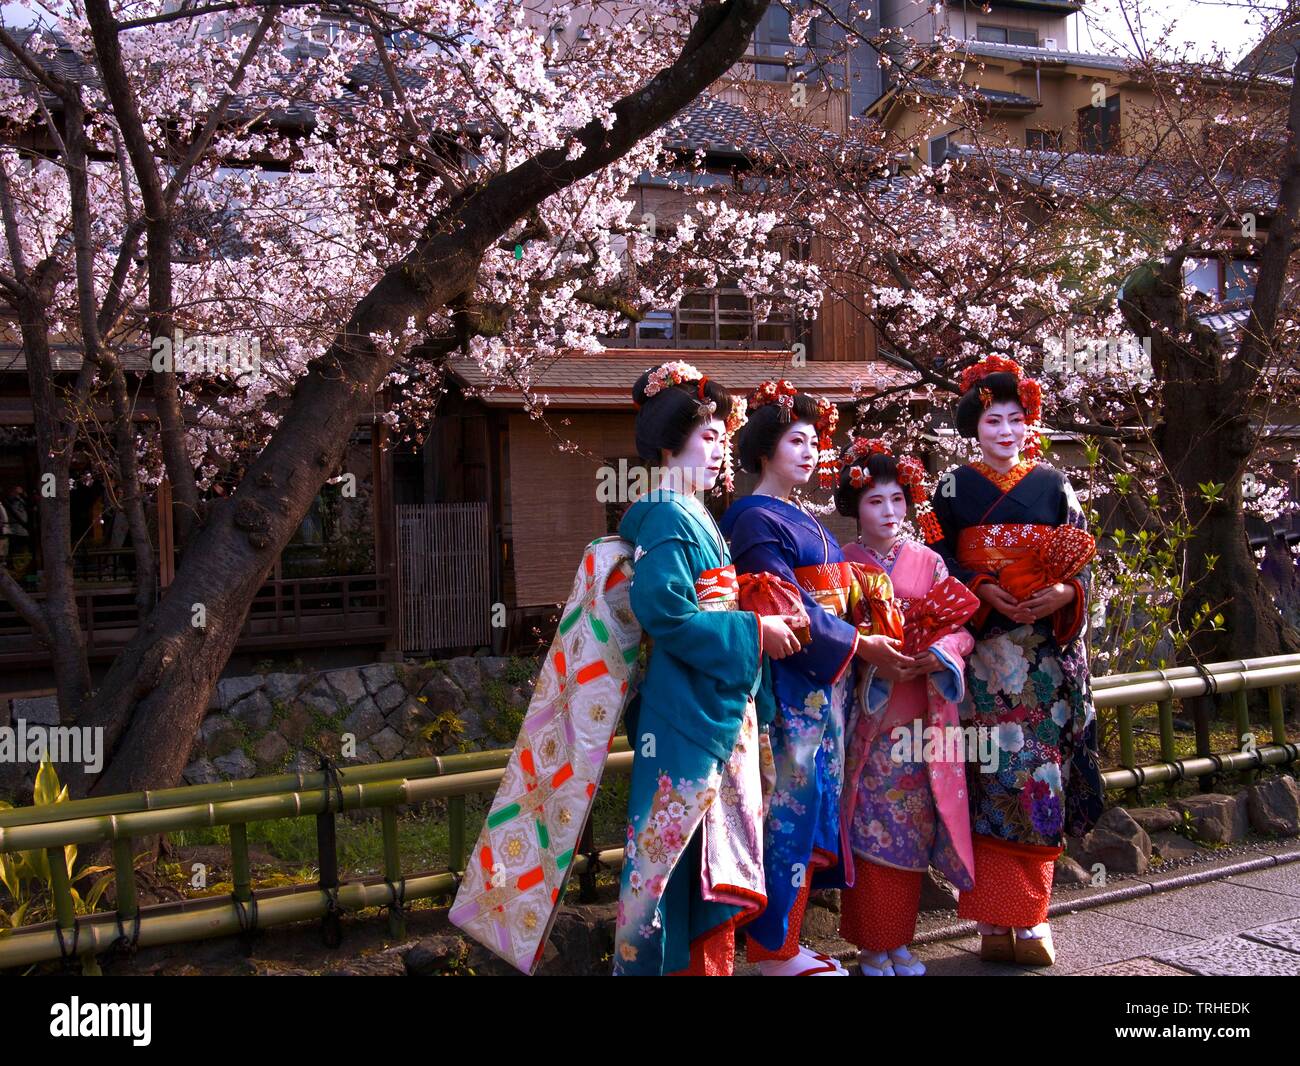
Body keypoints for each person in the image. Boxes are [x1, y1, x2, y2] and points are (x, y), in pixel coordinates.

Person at [613, 361, 802, 976]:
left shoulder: (693, 512)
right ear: (670, 445)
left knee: (710, 855)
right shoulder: (668, 514)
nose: (721, 451)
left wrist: (754, 610)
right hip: (687, 706)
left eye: (724, 438)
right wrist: (753, 628)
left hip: (717, 695)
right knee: (683, 856)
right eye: (709, 438)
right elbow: (664, 613)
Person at [721, 381, 912, 976]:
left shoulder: (803, 517)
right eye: (795, 441)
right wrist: (859, 640)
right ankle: (771, 949)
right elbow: (783, 604)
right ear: (762, 453)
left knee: (810, 804)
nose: (809, 452)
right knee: (789, 805)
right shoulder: (752, 519)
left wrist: (870, 607)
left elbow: (830, 592)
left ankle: (787, 940)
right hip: (792, 682)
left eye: (813, 442)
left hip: (823, 686)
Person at [930, 355, 1103, 966]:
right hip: (981, 657)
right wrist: (976, 586)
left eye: (1014, 419)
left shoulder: (1056, 485)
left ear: (1029, 422)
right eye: (992, 421)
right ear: (973, 429)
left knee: (1037, 776)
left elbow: (1085, 559)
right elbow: (933, 562)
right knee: (985, 781)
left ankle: (1030, 920)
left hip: (1042, 663)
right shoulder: (951, 488)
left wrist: (1065, 593)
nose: (1005, 431)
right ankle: (991, 924)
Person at [835, 438, 978, 976]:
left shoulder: (929, 561)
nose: (889, 512)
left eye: (897, 500)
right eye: (875, 502)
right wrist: (870, 653)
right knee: (870, 827)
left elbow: (960, 628)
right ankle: (873, 944)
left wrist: (940, 651)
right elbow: (830, 634)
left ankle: (899, 940)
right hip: (868, 718)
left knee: (913, 828)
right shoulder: (841, 563)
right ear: (855, 508)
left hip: (923, 715)